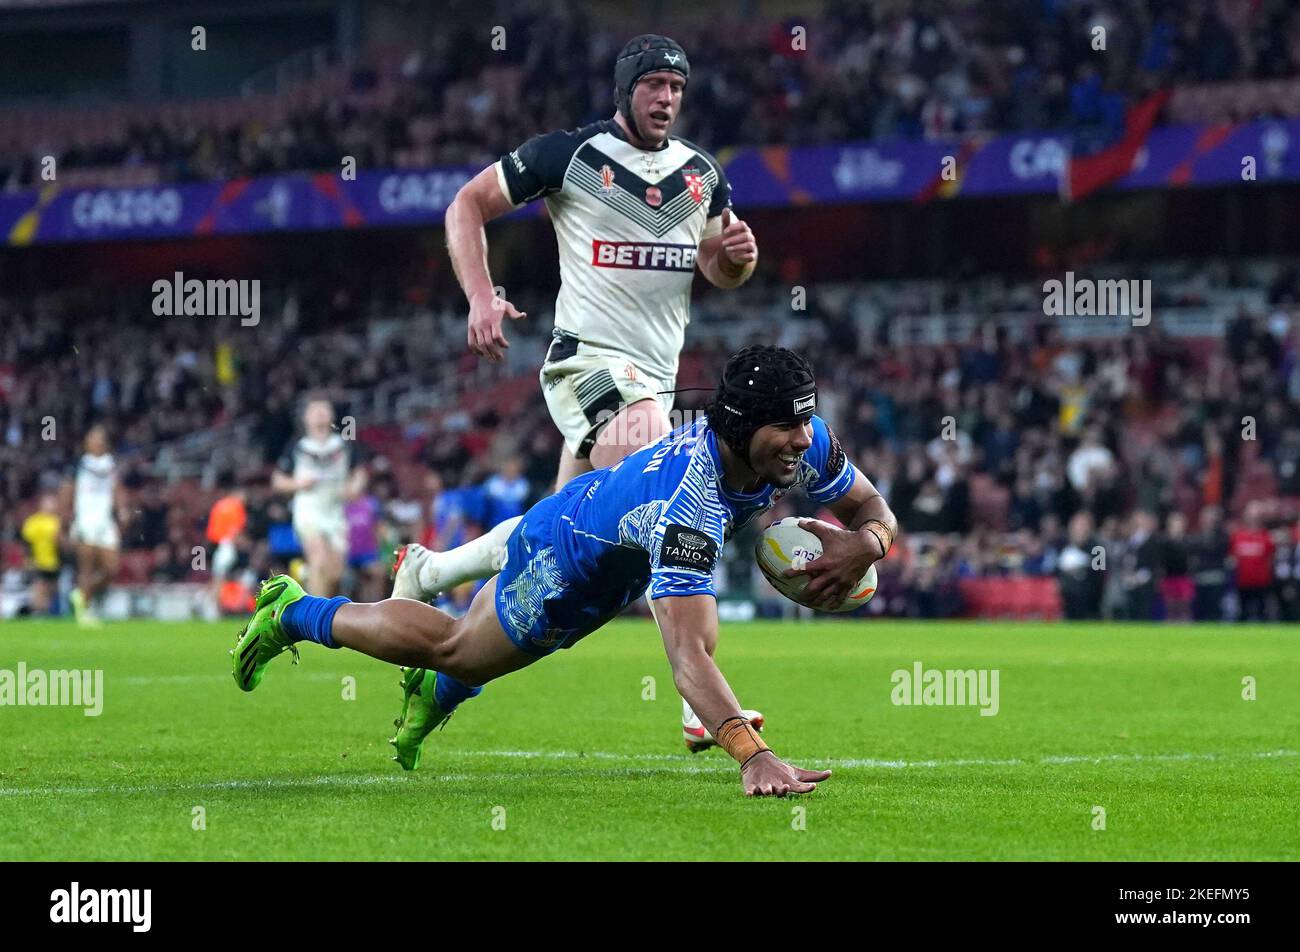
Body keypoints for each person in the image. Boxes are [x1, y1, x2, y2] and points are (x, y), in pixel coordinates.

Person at [231, 347, 898, 798]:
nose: (805, 438)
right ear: (743, 424)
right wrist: (751, 755)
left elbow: (871, 506)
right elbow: (687, 654)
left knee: (475, 658)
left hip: (613, 554)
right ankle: (294, 612)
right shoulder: (689, 502)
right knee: (458, 649)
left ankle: (435, 690)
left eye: (806, 420)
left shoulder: (800, 449)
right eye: (788, 425)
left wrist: (866, 543)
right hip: (566, 556)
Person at [401, 33, 762, 748]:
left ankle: (430, 570)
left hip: (652, 380)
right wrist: (481, 296)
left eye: (677, 88)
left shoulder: (702, 175)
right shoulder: (570, 155)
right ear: (627, 89)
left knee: (563, 544)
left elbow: (718, 270)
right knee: (679, 492)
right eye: (655, 84)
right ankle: (701, 704)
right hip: (589, 365)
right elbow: (465, 206)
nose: (667, 98)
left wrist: (735, 261)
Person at [271, 398, 365, 596]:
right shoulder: (298, 447)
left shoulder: (343, 445)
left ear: (331, 415)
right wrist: (298, 484)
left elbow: (360, 473)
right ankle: (312, 620)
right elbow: (277, 480)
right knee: (319, 559)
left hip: (335, 511)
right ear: (306, 418)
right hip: (309, 510)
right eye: (315, 410)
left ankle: (306, 578)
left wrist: (354, 487)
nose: (320, 413)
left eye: (324, 409)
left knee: (336, 573)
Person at [61, 426, 123, 627]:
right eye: (92, 438)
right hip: (85, 519)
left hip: (105, 521)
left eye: (99, 438)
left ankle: (81, 595)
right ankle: (84, 612)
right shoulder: (78, 464)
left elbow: (116, 488)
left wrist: (122, 509)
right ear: (86, 442)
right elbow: (67, 490)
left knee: (112, 568)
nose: (96, 442)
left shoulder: (111, 464)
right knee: (86, 567)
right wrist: (65, 521)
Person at [21, 493, 62, 616]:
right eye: (48, 503)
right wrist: (29, 558)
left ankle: (46, 610)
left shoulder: (56, 521)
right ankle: (38, 611)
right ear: (41, 505)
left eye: (53, 503)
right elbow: (27, 542)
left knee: (52, 588)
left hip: (53, 561)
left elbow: (61, 543)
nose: (51, 506)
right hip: (38, 560)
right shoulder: (33, 521)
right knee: (39, 586)